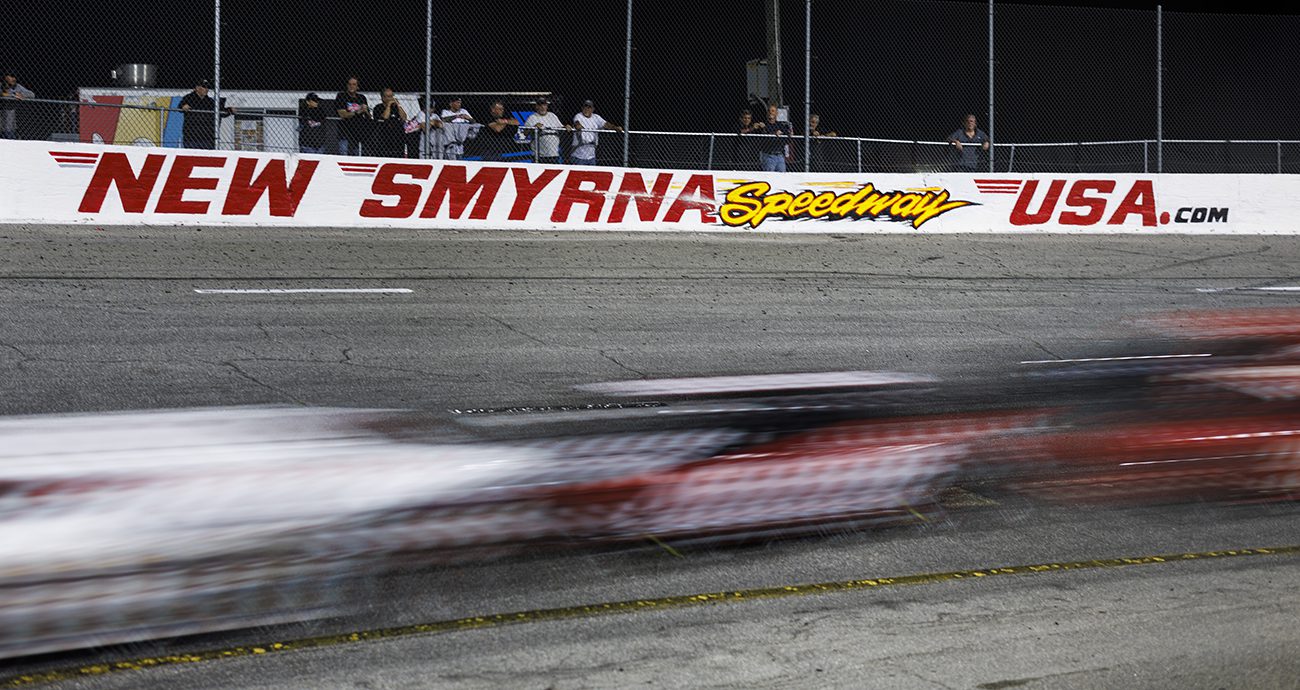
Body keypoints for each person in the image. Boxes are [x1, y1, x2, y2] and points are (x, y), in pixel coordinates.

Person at [179, 80, 232, 150]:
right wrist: (183, 106)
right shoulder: (189, 98)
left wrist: (229, 110)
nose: (206, 89)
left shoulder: (209, 101)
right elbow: (180, 106)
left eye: (208, 87)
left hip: (207, 136)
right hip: (192, 135)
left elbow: (220, 111)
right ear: (197, 88)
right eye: (204, 87)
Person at [569, 100, 623, 165]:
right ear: (582, 108)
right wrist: (578, 126)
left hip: (591, 156)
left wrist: (615, 128)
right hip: (578, 155)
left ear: (593, 109)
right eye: (585, 107)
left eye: (589, 107)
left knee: (591, 174)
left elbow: (606, 124)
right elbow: (576, 123)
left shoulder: (596, 117)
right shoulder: (578, 116)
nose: (587, 109)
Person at [333, 76, 370, 156]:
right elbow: (342, 114)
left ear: (357, 86)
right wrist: (358, 112)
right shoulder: (341, 96)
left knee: (356, 156)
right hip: (344, 133)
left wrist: (365, 111)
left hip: (357, 134)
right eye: (349, 84)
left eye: (354, 84)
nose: (351, 86)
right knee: (343, 156)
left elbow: (369, 117)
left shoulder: (361, 98)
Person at [522, 98, 565, 164]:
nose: (542, 107)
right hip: (539, 155)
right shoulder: (532, 117)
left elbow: (561, 128)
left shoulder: (552, 116)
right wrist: (534, 127)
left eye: (544, 105)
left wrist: (566, 127)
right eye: (540, 105)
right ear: (536, 106)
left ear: (547, 106)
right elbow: (525, 133)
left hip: (554, 154)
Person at [370, 87, 407, 158]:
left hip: (397, 139)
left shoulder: (396, 107)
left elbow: (404, 117)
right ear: (383, 98)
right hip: (383, 140)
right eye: (388, 97)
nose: (391, 99)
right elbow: (385, 117)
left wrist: (398, 105)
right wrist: (389, 105)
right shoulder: (378, 108)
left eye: (392, 96)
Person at [404, 95, 443, 159]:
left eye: (430, 108)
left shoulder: (435, 115)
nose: (428, 109)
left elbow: (441, 125)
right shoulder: (421, 114)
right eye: (426, 107)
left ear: (434, 109)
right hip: (410, 134)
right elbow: (425, 128)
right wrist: (433, 122)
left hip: (419, 135)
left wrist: (430, 122)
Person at [756, 104, 792, 172]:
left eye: (773, 111)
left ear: (776, 113)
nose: (771, 113)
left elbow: (787, 139)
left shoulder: (780, 125)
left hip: (780, 155)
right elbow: (766, 137)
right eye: (769, 111)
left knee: (781, 175)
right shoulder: (764, 125)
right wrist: (773, 133)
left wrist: (786, 134)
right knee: (769, 176)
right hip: (768, 155)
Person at [0, 72, 35, 140]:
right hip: (2, 110)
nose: (13, 79)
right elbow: (3, 94)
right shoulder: (1, 85)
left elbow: (32, 94)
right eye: (11, 76)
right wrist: (14, 95)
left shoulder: (17, 87)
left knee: (9, 131)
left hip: (10, 114)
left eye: (14, 77)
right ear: (6, 78)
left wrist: (22, 95)